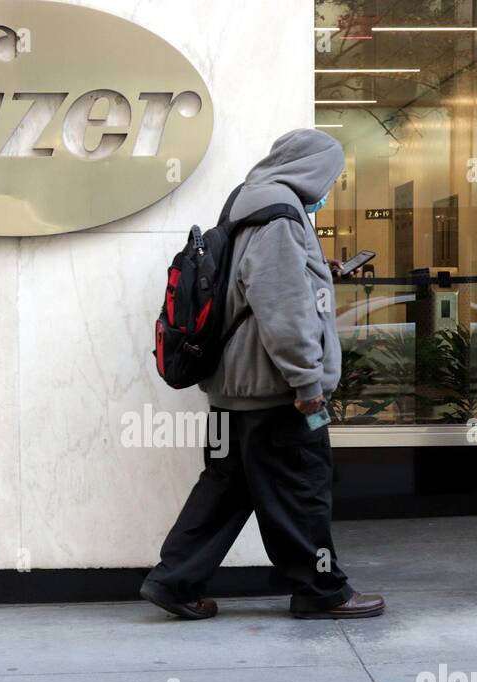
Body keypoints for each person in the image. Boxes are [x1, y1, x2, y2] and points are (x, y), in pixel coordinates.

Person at [140, 129, 384, 621]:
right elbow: (284, 311)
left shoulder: (246, 204)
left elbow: (256, 287)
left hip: (234, 391)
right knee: (304, 489)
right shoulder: (281, 216)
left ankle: (173, 580)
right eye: (332, 176)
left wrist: (320, 271)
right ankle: (321, 591)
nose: (331, 187)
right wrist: (307, 384)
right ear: (312, 170)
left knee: (224, 491)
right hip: (276, 393)